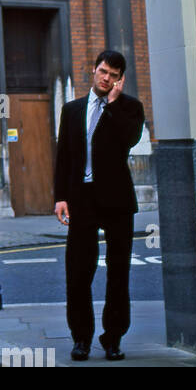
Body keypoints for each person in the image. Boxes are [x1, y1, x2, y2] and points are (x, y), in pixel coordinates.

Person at [53, 49, 145, 361]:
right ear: (94, 70)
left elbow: (129, 139)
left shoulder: (130, 107)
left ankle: (113, 339)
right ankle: (81, 338)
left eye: (114, 76)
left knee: (118, 273)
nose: (107, 79)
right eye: (103, 71)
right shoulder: (72, 109)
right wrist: (60, 197)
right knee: (78, 271)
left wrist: (115, 104)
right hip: (82, 199)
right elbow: (63, 156)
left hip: (117, 201)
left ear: (121, 80)